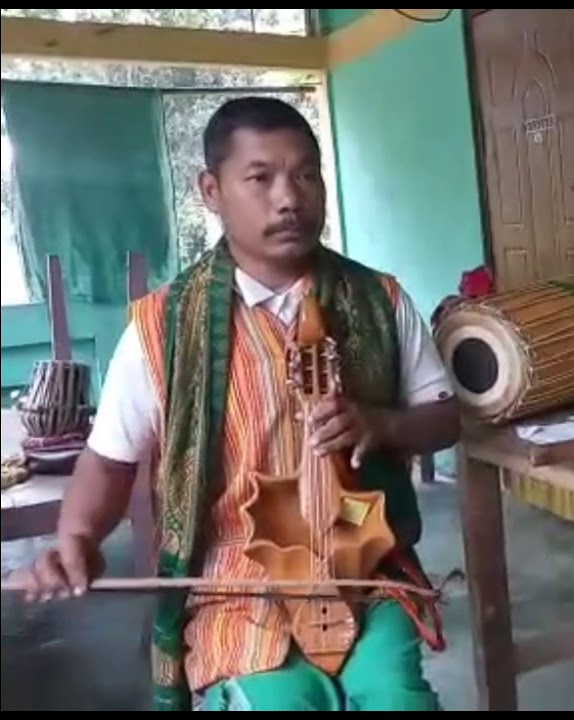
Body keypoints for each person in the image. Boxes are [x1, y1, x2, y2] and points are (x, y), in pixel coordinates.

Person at [11, 96, 461, 711]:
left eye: (306, 174)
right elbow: (111, 459)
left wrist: (380, 423)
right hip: (233, 581)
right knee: (282, 703)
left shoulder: (378, 299)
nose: (289, 198)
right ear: (210, 190)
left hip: (364, 561)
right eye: (261, 177)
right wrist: (78, 536)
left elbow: (444, 418)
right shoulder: (162, 326)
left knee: (398, 701)